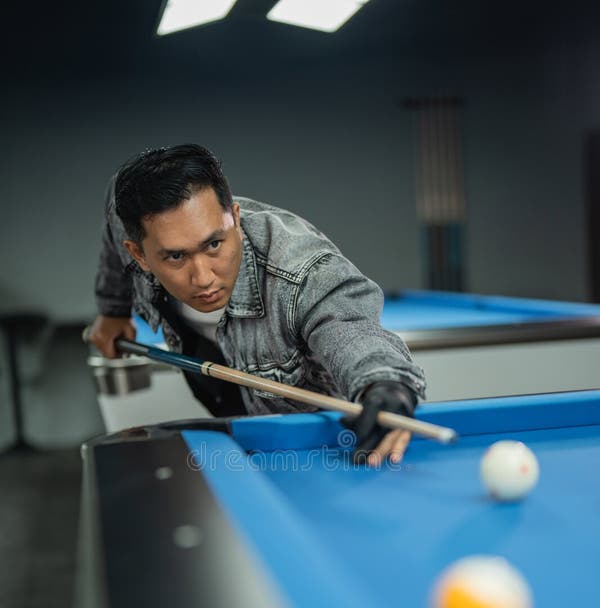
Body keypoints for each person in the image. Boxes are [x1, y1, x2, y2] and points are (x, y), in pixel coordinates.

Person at [90, 144, 426, 466]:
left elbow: (352, 333)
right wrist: (113, 309)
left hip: (312, 447)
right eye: (176, 256)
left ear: (234, 218)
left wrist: (384, 384)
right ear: (139, 254)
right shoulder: (126, 214)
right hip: (213, 375)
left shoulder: (303, 274)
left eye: (214, 244)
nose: (204, 277)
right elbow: (112, 234)